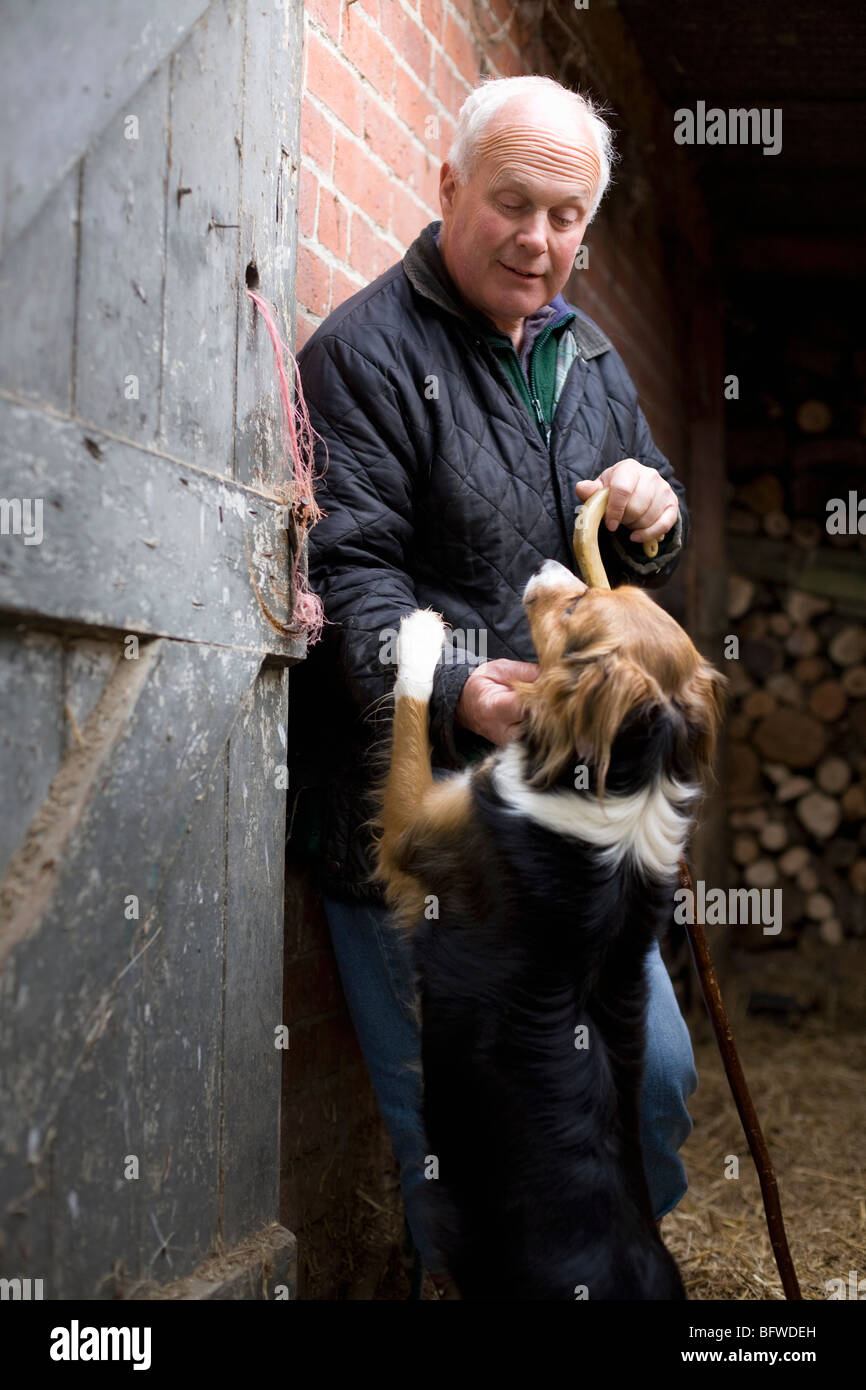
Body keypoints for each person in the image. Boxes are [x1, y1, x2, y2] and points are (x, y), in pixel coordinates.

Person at [288, 73, 697, 1298]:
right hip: (431, 833)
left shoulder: (585, 352)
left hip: (556, 830)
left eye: (564, 216)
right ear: (449, 186)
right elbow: (344, 583)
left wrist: (652, 512)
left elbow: (635, 554)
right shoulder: (362, 353)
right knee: (455, 1145)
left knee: (652, 1083)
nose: (537, 239)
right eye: (510, 203)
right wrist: (460, 688)